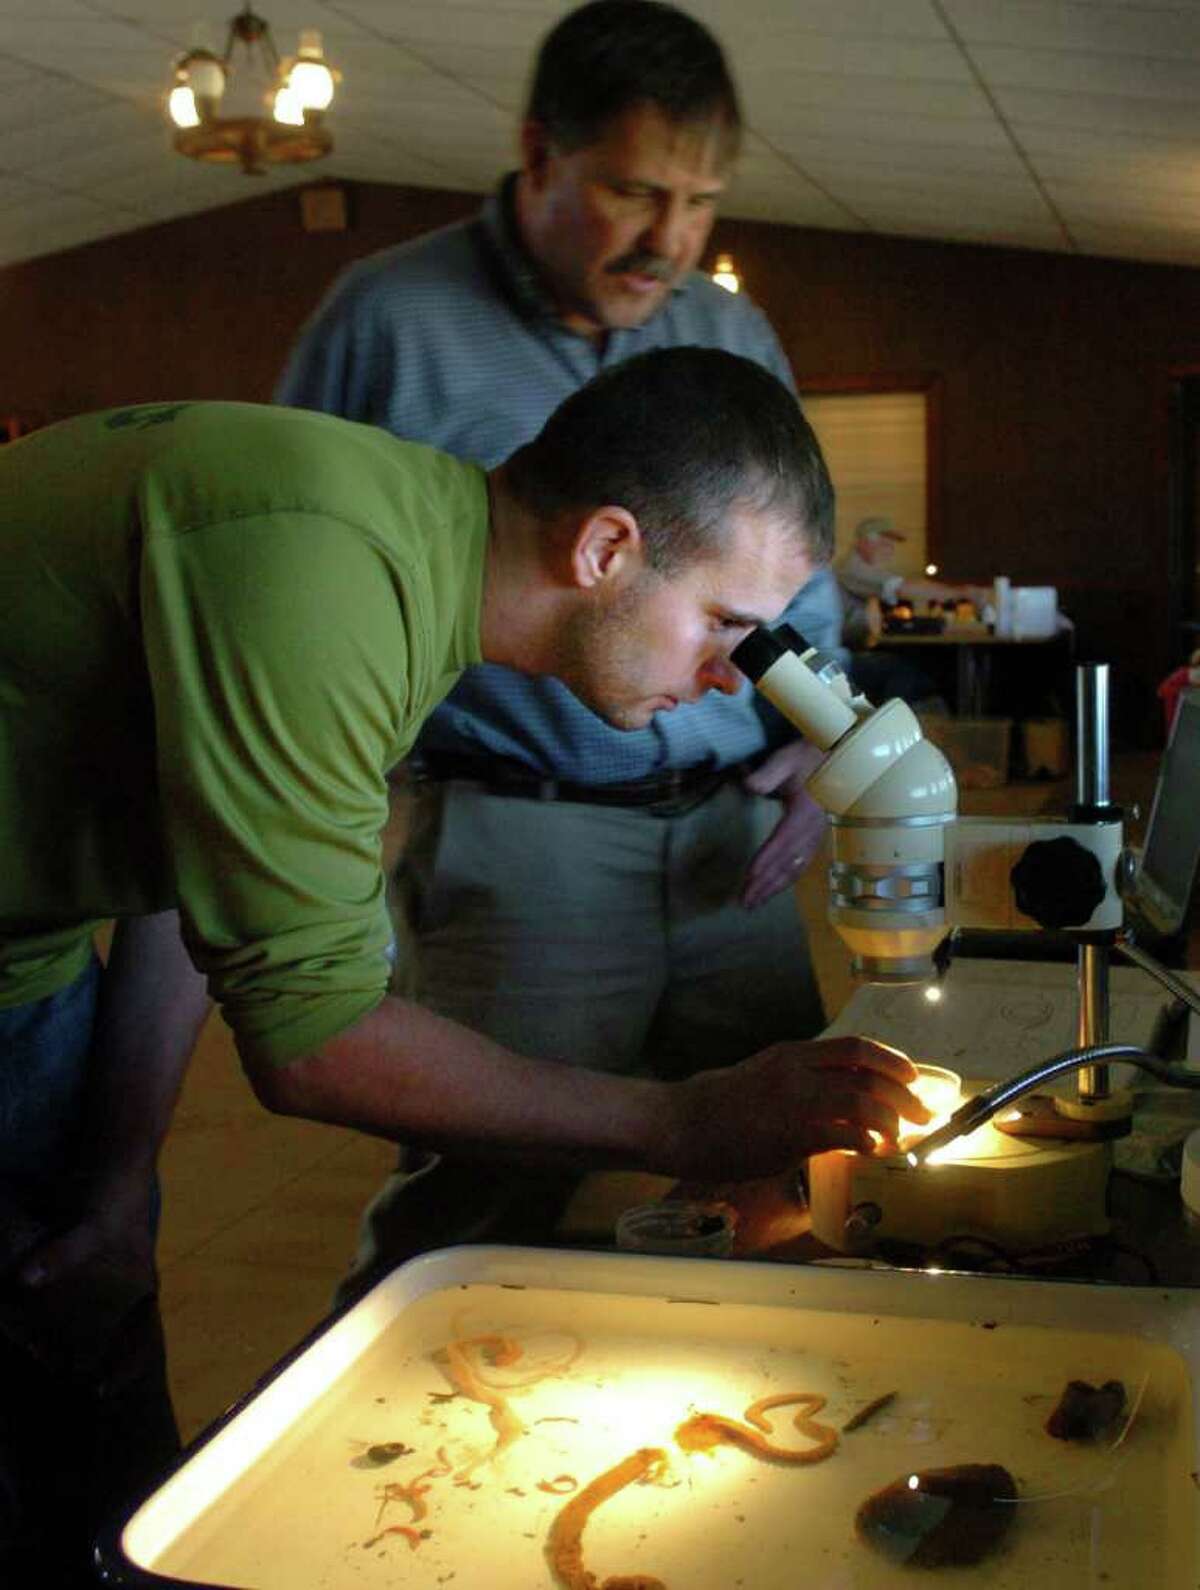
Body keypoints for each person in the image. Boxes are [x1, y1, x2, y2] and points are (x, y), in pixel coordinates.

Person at [1, 351, 926, 1582]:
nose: (724, 679)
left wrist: (116, 1186)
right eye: (724, 625)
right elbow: (314, 1041)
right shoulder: (327, 571)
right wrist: (676, 1118)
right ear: (603, 548)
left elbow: (189, 881)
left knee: (94, 1356)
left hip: (34, 935)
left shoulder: (406, 555)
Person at [275, 0, 848, 1280]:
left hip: (728, 841)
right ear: (540, 155)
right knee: (485, 1197)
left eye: (702, 202)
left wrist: (825, 742)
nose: (672, 243)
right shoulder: (387, 319)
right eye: (636, 194)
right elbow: (294, 575)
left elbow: (798, 593)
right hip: (522, 833)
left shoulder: (730, 329)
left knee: (786, 1177)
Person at [834, 516, 989, 708]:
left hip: (850, 649)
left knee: (920, 668)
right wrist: (961, 593)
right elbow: (901, 588)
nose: (890, 549)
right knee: (908, 671)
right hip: (841, 657)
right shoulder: (853, 568)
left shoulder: (854, 569)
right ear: (865, 541)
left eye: (892, 544)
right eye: (885, 542)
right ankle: (891, 724)